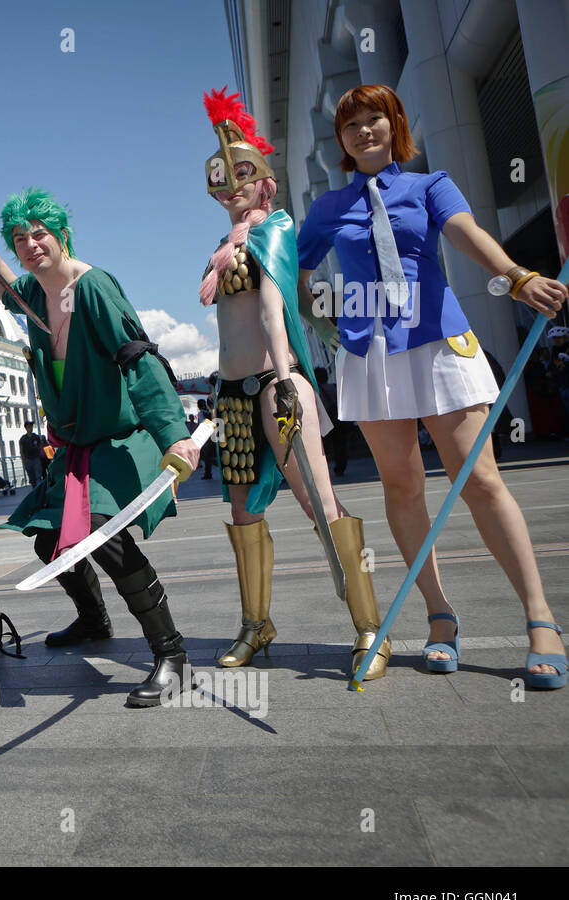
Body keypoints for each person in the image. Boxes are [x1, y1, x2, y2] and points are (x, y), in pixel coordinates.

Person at [296, 83, 568, 688]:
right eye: (352, 125)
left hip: (440, 344)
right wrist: (325, 321)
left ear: (395, 124)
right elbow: (296, 273)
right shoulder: (327, 209)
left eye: (375, 119)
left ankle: (540, 620)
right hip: (369, 359)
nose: (364, 130)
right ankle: (439, 616)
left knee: (480, 479)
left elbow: (467, 232)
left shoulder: (430, 186)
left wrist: (515, 276)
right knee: (403, 486)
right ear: (340, 140)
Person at [0, 190, 201, 707]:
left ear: (61, 233)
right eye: (20, 238)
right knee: (49, 541)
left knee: (102, 537)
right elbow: (7, 287)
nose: (30, 245)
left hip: (117, 438)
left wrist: (173, 433)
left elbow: (138, 357)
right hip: (73, 448)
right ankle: (94, 620)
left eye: (38, 233)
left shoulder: (91, 286)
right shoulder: (34, 294)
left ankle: (172, 655)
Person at [198, 87, 383, 674]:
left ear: (265, 184)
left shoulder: (273, 229)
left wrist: (283, 377)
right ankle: (256, 624)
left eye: (243, 175)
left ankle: (368, 626)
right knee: (242, 513)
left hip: (278, 386)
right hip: (231, 397)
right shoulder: (224, 247)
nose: (232, 188)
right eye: (222, 178)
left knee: (319, 503)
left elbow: (275, 305)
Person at [19, 421, 45, 485]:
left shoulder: (36, 437)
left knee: (38, 477)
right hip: (28, 459)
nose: (30, 428)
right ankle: (34, 489)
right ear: (26, 428)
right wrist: (23, 460)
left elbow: (40, 447)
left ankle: (38, 490)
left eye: (31, 427)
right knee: (31, 478)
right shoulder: (23, 438)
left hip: (36, 458)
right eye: (29, 427)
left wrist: (37, 447)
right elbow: (21, 450)